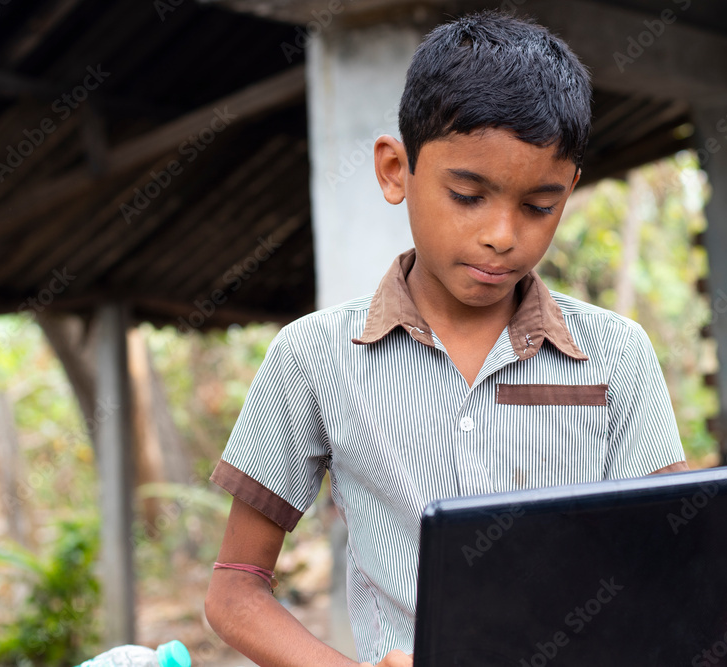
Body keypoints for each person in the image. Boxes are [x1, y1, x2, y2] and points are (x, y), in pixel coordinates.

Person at [204, 10, 689, 667]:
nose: (501, 233)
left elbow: (672, 570)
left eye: (539, 205)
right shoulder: (314, 356)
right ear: (394, 170)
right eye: (467, 194)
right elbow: (235, 590)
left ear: (570, 190)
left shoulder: (617, 356)